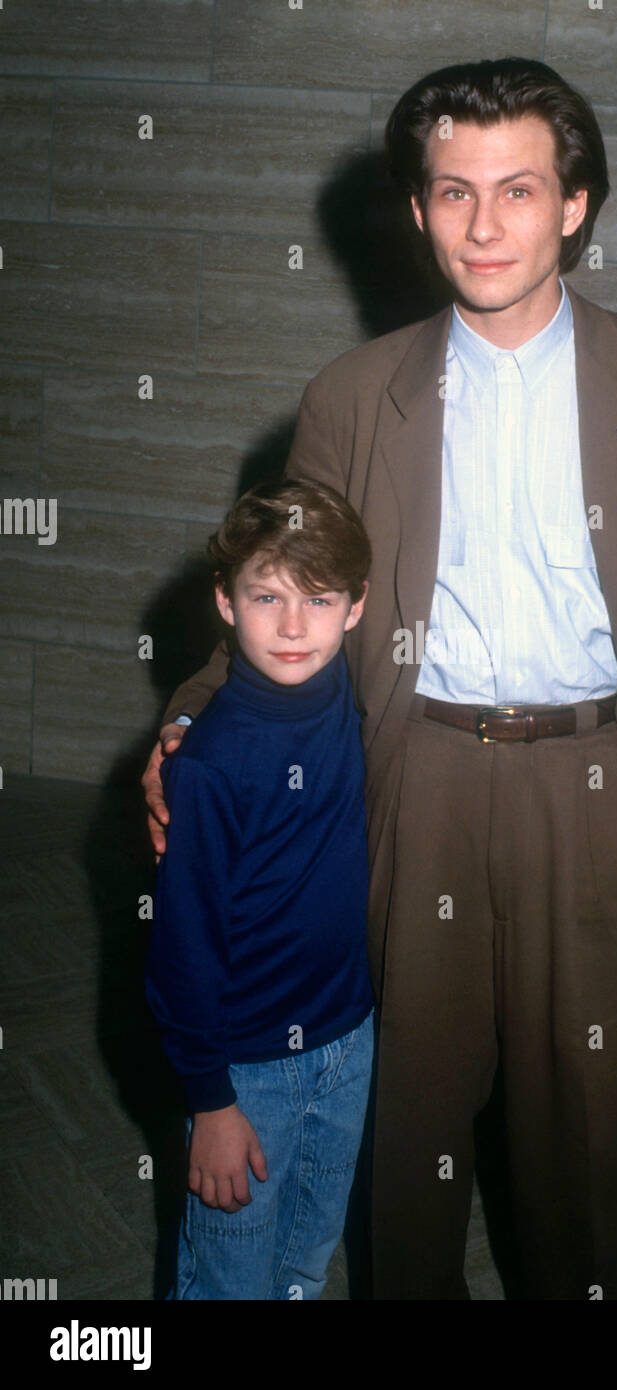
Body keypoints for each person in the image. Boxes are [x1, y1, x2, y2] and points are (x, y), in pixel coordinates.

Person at [143, 57, 617, 1300]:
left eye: (519, 190)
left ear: (574, 204)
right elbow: (280, 604)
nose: (485, 225)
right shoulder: (353, 398)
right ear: (416, 211)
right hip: (404, 789)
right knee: (405, 1153)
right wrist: (191, 721)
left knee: (584, 1152)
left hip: (598, 790)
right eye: (453, 193)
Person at [145, 477, 375, 1300]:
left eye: (316, 599)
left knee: (305, 1266)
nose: (290, 626)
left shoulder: (350, 695)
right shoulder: (208, 766)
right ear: (224, 603)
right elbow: (182, 950)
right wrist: (210, 1103)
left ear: (355, 609)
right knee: (227, 1283)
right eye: (265, 596)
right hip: (246, 1070)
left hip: (348, 1041)